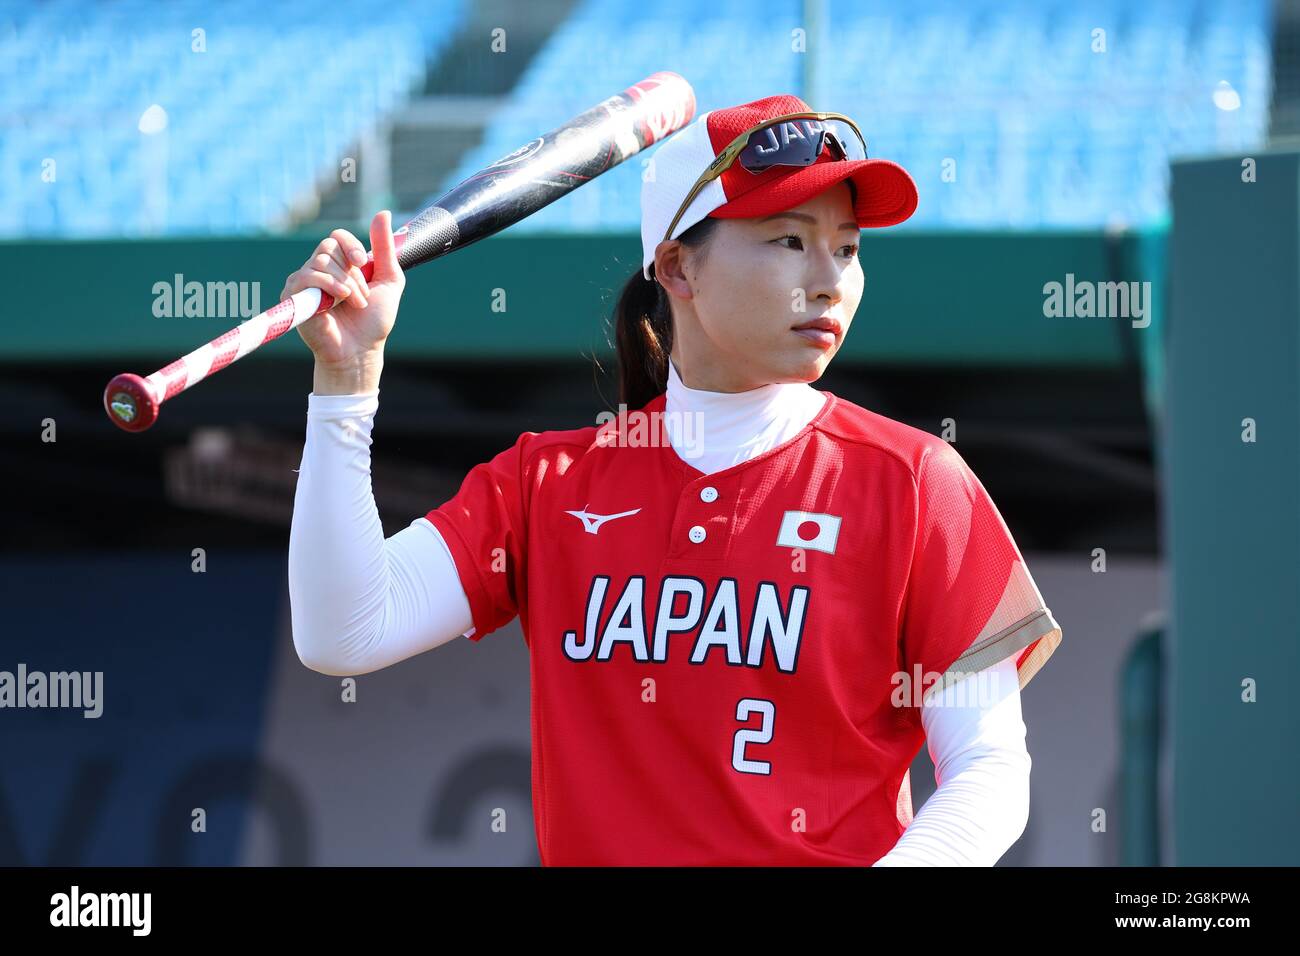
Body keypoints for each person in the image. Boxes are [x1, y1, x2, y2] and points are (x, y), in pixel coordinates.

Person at [286, 94, 1063, 866]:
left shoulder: (918, 483)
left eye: (849, 248)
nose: (828, 281)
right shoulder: (546, 483)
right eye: (790, 241)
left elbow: (990, 770)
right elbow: (344, 630)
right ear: (678, 267)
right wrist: (348, 378)